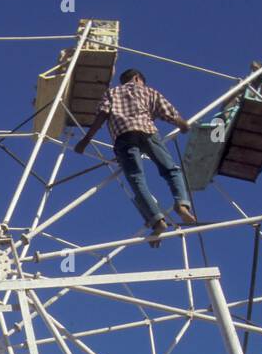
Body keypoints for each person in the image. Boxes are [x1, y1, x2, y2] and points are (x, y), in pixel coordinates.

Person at [74, 68, 194, 245]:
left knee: (137, 180)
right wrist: (183, 125)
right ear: (137, 78)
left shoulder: (112, 93)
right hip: (148, 132)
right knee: (171, 170)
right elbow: (168, 112)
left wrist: (85, 140)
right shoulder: (148, 91)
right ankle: (182, 204)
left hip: (124, 137)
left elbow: (102, 116)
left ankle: (157, 220)